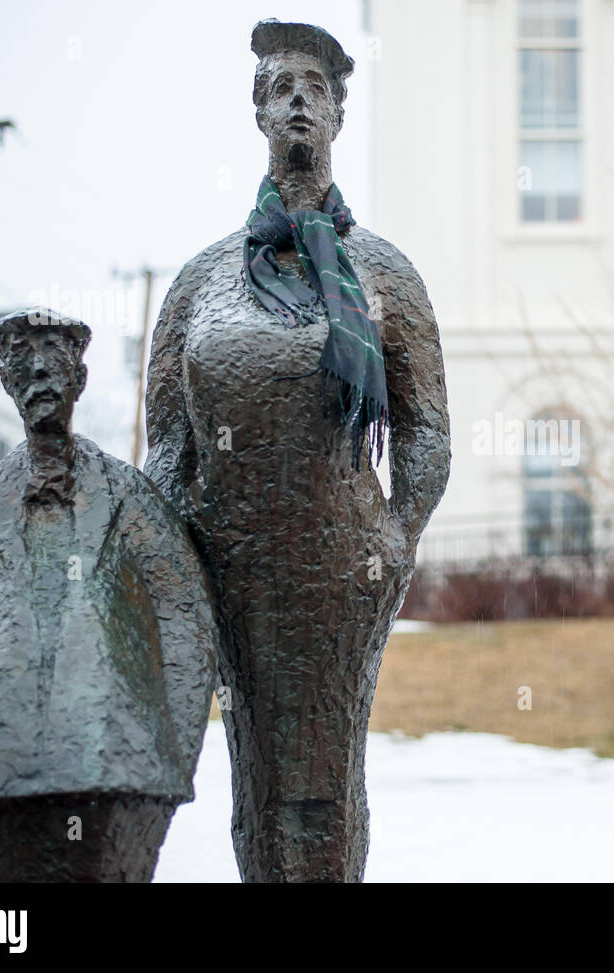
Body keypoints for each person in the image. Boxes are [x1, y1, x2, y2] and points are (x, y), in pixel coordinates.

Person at [144, 20, 451, 882]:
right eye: (282, 89)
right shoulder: (203, 282)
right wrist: (178, 559)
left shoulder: (381, 273)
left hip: (338, 566)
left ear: (338, 116)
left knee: (321, 777)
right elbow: (166, 444)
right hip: (231, 566)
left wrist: (395, 539)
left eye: (315, 90)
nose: (299, 105)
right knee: (255, 775)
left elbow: (427, 433)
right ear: (260, 114)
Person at [0, 307, 218, 882]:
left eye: (54, 361)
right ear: (6, 384)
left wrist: (171, 752)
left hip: (113, 775)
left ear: (80, 380)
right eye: (24, 363)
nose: (40, 373)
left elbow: (184, 611)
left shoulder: (130, 495)